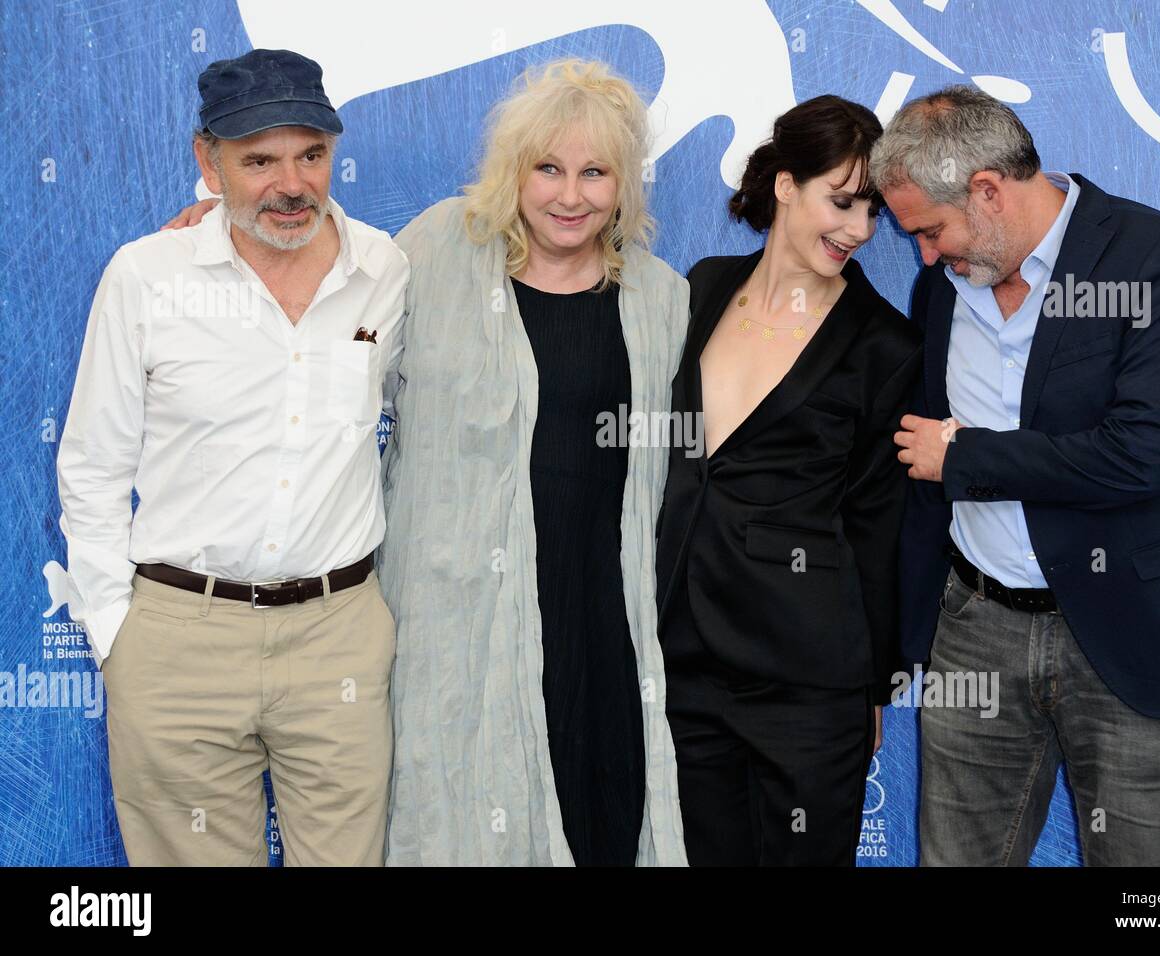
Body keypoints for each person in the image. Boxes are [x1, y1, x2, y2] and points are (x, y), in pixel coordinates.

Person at [878, 85, 1160, 866]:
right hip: (976, 632)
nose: (924, 256)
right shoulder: (942, 288)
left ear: (988, 190)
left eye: (930, 231)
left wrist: (964, 456)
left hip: (1133, 630)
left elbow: (1143, 454)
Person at [57, 48, 409, 865]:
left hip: (339, 641)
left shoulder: (386, 269)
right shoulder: (146, 277)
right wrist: (118, 636)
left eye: (311, 155)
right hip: (179, 641)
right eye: (259, 160)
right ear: (206, 161)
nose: (292, 185)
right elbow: (93, 467)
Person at [379, 59, 689, 865]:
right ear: (511, 170)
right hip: (458, 612)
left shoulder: (659, 298)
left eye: (595, 172)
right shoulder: (437, 252)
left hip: (600, 614)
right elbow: (330, 322)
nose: (569, 195)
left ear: (624, 185)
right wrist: (217, 230)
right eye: (547, 168)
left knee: (598, 817)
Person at [655, 95, 923, 866]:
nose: (860, 231)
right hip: (686, 664)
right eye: (841, 201)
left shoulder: (884, 344)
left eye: (873, 211)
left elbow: (879, 523)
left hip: (808, 677)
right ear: (782, 184)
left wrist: (873, 685)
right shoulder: (701, 288)